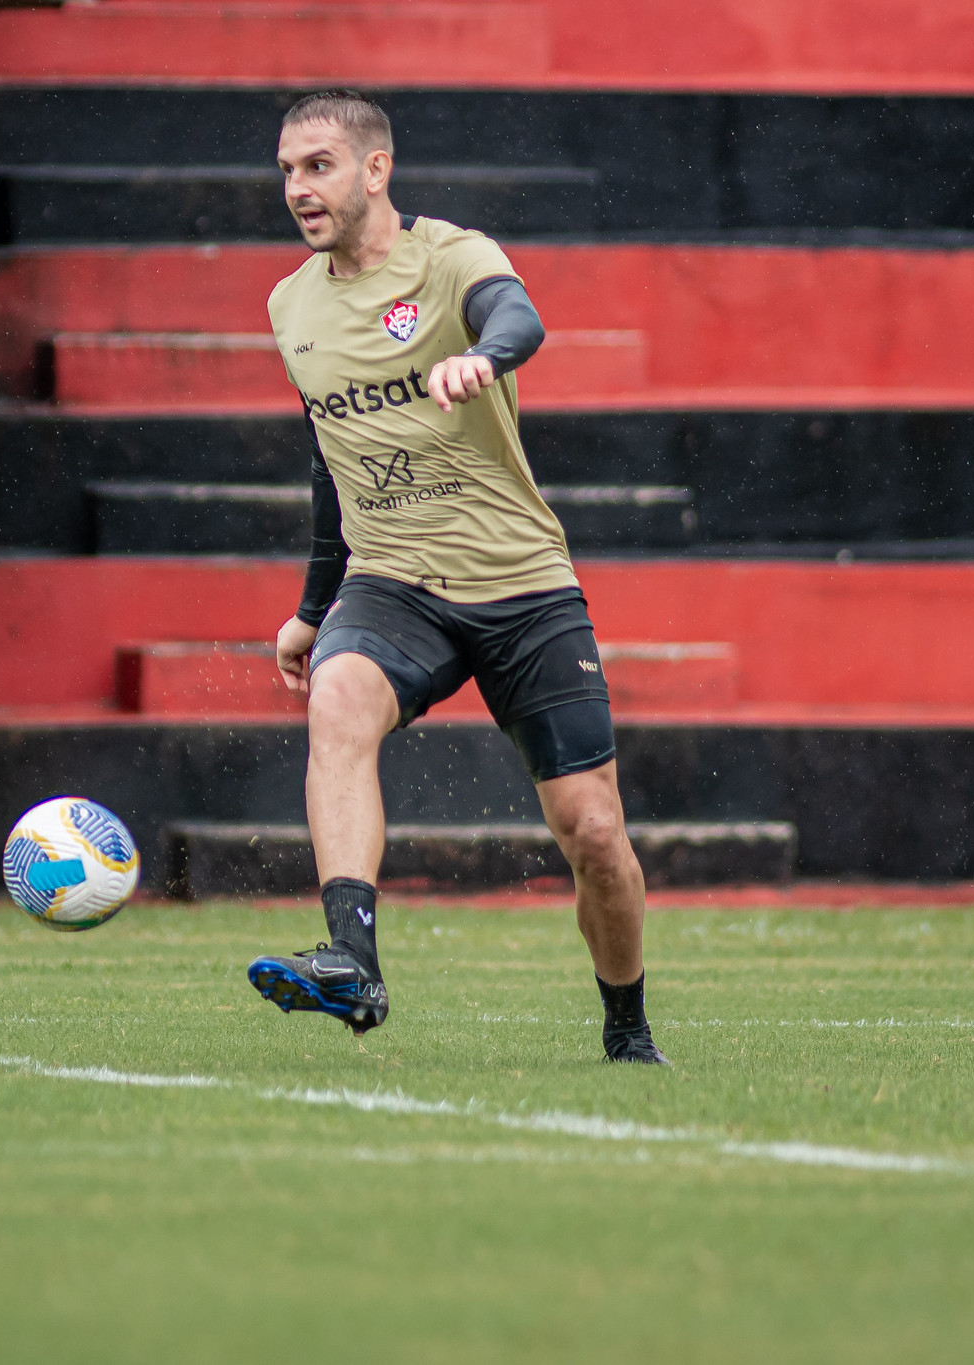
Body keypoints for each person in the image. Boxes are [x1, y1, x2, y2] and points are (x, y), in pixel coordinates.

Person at [242, 91, 667, 1065]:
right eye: (285, 170)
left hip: (521, 586)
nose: (296, 189)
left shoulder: (452, 258)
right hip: (394, 581)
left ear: (374, 170)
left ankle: (626, 1026)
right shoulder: (289, 304)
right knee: (338, 702)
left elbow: (518, 318)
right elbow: (329, 457)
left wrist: (481, 358)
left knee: (591, 832)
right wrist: (314, 608)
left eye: (316, 166)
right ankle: (352, 963)